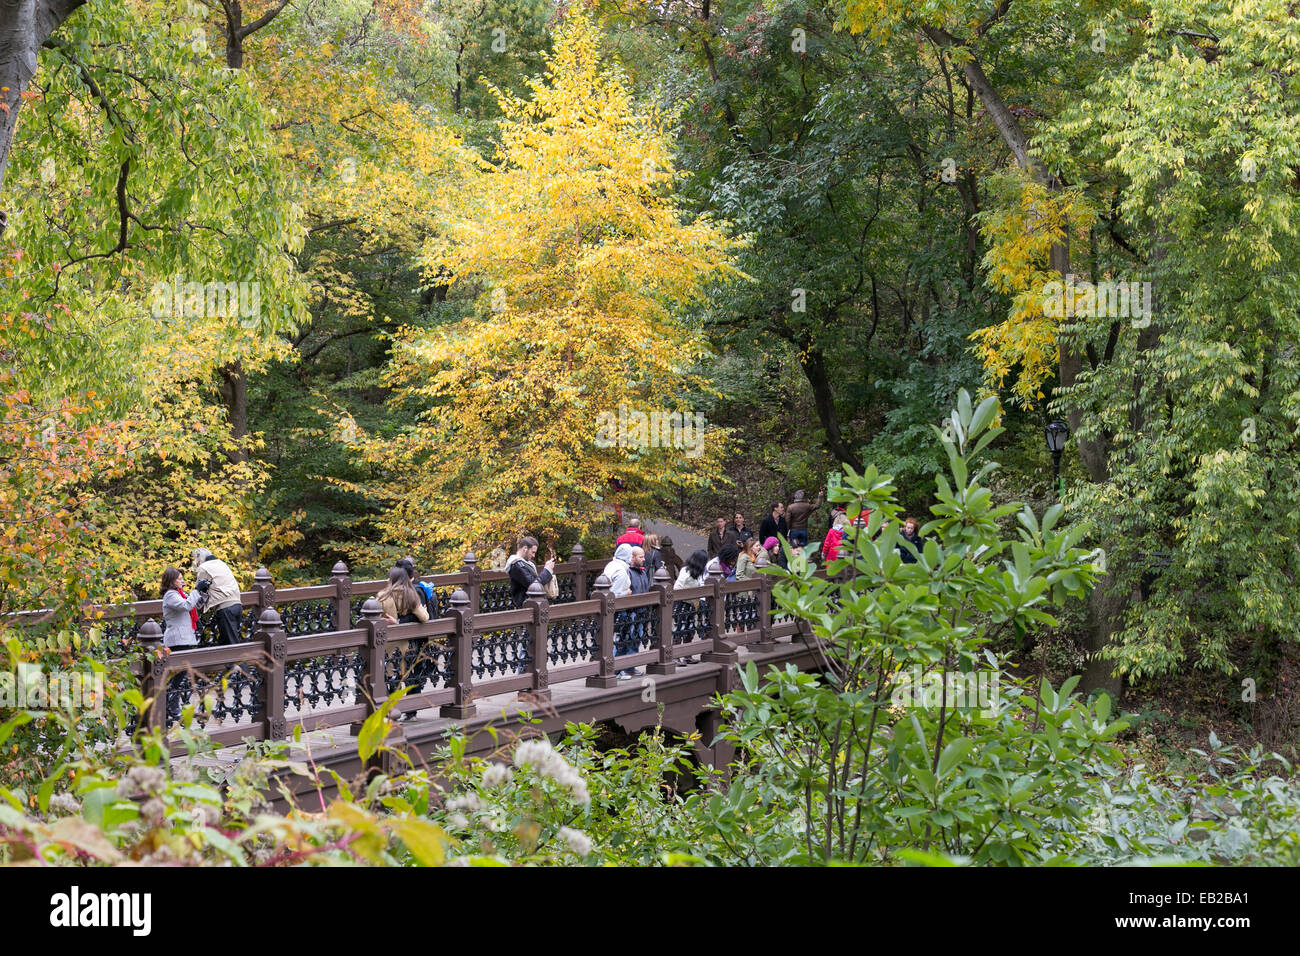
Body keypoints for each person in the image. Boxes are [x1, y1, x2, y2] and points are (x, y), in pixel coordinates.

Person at [160, 567, 208, 723]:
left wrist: (203, 591)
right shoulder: (170, 595)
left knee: (180, 673)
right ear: (172, 581)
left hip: (185, 638)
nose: (182, 581)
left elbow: (196, 605)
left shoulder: (181, 594)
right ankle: (169, 702)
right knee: (179, 673)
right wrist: (196, 590)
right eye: (179, 578)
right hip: (177, 639)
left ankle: (170, 702)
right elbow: (186, 606)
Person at [192, 548, 243, 645]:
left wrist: (194, 610)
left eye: (197, 562)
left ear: (200, 560)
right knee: (224, 643)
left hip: (225, 609)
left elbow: (198, 591)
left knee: (232, 645)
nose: (197, 565)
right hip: (237, 605)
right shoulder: (222, 564)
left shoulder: (204, 568)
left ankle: (239, 660)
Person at [603, 544, 636, 677]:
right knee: (620, 639)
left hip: (609, 610)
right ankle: (615, 670)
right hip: (617, 610)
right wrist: (627, 592)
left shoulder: (611, 565)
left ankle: (614, 669)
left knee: (613, 639)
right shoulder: (621, 571)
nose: (632, 558)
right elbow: (614, 594)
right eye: (631, 555)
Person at [672, 549, 710, 665]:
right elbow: (677, 587)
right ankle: (675, 656)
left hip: (692, 603)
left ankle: (687, 655)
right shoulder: (686, 571)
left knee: (689, 629)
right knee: (680, 628)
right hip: (681, 603)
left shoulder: (698, 573)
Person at [505, 536, 554, 608]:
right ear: (525, 548)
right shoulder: (516, 565)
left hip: (531, 604)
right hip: (525, 606)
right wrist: (547, 570)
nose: (534, 556)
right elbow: (534, 585)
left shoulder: (527, 564)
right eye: (533, 552)